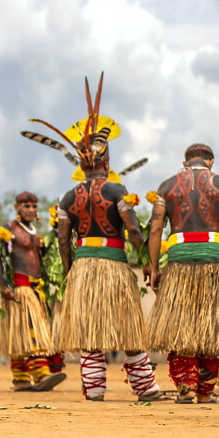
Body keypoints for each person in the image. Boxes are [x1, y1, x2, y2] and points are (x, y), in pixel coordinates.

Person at [35, 78, 168, 402]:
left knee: (89, 329)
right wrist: (148, 263)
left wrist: (70, 270)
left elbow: (63, 241)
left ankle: (94, 391)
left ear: (82, 163)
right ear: (106, 161)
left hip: (82, 267)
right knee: (128, 327)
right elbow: (134, 230)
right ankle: (146, 389)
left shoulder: (69, 196)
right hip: (112, 266)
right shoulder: (115, 191)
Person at [146, 143, 219, 404]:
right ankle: (205, 392)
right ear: (211, 161)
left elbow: (155, 230)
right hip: (213, 261)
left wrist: (154, 268)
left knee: (182, 325)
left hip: (178, 260)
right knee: (211, 325)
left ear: (185, 163)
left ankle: (186, 388)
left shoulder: (166, 186)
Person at [0, 192, 65, 392]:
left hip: (35, 288)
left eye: (34, 206)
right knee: (30, 332)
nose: (31, 210)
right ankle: (41, 375)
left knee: (20, 334)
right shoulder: (8, 229)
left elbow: (39, 255)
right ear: (17, 207)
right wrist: (3, 286)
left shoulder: (33, 231)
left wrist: (55, 231)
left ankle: (21, 378)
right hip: (18, 289)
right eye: (26, 206)